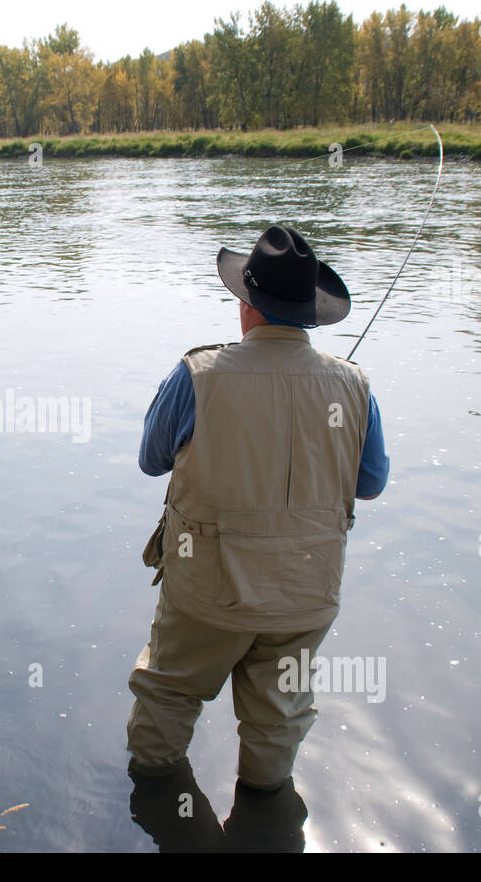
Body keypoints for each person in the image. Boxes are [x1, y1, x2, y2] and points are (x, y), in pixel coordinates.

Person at [127, 223, 389, 805]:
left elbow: (151, 459)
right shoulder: (355, 386)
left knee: (169, 694)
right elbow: (370, 484)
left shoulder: (198, 373)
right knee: (279, 718)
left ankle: (152, 801)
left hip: (207, 590)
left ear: (246, 305)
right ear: (310, 314)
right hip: (306, 593)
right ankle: (265, 818)